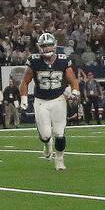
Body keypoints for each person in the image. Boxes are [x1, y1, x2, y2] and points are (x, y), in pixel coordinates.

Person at [19, 32, 79, 171]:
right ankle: (46, 144)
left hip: (58, 99)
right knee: (46, 134)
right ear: (39, 47)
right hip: (41, 101)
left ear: (55, 45)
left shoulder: (63, 60)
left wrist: (75, 91)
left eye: (49, 45)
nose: (47, 48)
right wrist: (23, 98)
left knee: (59, 133)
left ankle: (59, 159)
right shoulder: (34, 60)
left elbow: (72, 79)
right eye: (44, 46)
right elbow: (25, 82)